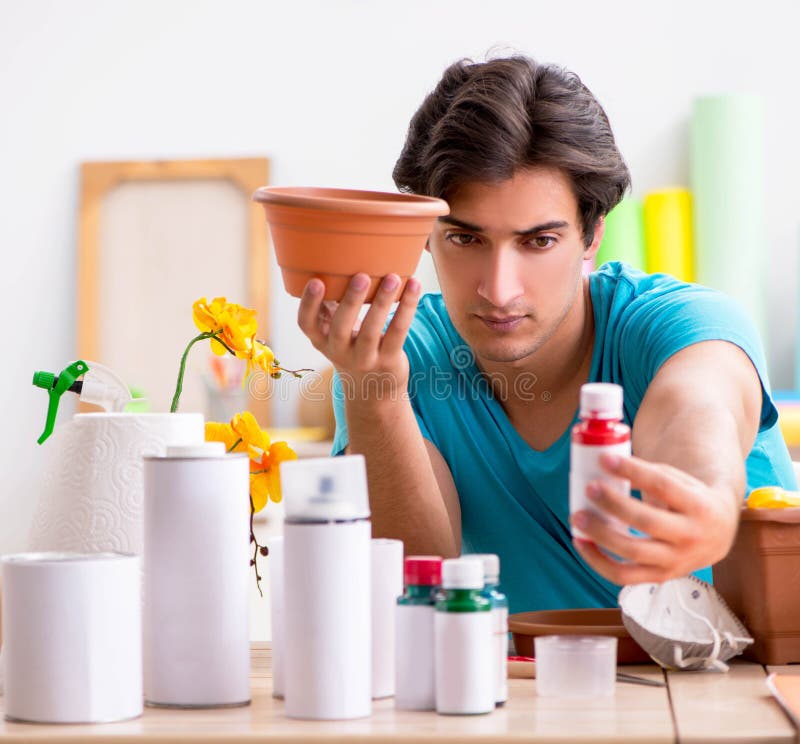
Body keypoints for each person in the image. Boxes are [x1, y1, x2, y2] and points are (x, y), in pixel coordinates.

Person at [296, 55, 796, 614]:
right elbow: (422, 577)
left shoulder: (681, 322)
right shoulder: (391, 357)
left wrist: (708, 493)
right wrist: (379, 395)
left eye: (538, 241)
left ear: (590, 237)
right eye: (466, 239)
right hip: (534, 692)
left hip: (736, 687)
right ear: (425, 235)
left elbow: (697, 409)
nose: (499, 290)